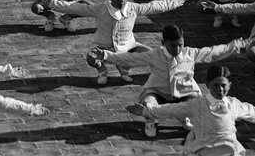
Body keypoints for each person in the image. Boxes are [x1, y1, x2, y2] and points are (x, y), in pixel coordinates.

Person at [128, 65, 255, 156]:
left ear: (229, 85)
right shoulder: (198, 104)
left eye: (223, 85)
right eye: (215, 85)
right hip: (200, 155)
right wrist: (147, 110)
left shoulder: (234, 104)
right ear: (207, 85)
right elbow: (173, 109)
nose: (220, 89)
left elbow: (250, 110)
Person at [94, 24, 246, 138]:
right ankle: (150, 121)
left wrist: (234, 46)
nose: (178, 49)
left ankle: (184, 117)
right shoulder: (155, 54)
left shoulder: (190, 53)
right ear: (163, 43)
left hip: (184, 93)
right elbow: (131, 58)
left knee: (198, 104)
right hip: (158, 92)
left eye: (180, 44)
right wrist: (107, 55)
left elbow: (213, 52)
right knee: (148, 103)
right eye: (173, 45)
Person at [60, 0, 184, 85]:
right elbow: (75, 8)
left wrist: (173, 3)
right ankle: (102, 69)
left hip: (128, 47)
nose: (122, 0)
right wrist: (51, 3)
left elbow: (153, 6)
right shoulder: (100, 8)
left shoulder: (133, 8)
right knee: (90, 57)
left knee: (153, 56)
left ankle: (123, 67)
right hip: (104, 48)